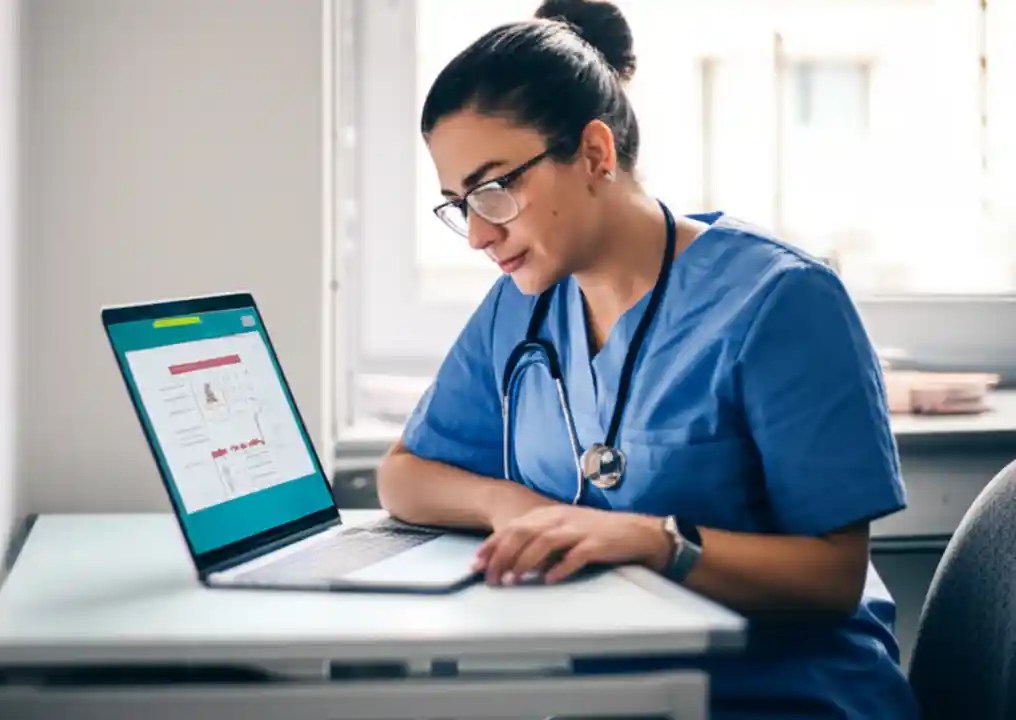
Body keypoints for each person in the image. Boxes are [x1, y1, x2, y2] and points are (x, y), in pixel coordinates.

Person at [375, 1, 919, 717]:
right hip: (614, 692)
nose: (478, 233)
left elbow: (832, 577)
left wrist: (652, 542)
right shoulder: (524, 300)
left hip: (786, 697)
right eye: (458, 205)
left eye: (495, 190)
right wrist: (515, 508)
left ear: (595, 154)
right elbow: (403, 476)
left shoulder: (781, 302)